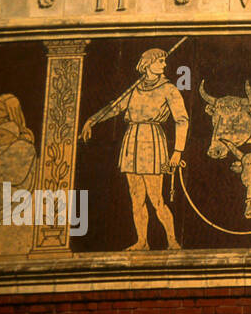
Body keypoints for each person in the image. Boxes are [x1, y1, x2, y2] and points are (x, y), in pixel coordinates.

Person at [81, 48, 189, 251]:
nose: (164, 65)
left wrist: (177, 151)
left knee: (156, 198)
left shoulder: (169, 89)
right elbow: (114, 108)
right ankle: (142, 241)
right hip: (132, 141)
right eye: (160, 61)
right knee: (136, 197)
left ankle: (172, 241)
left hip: (152, 141)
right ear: (147, 64)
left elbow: (182, 120)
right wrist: (92, 120)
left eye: (165, 61)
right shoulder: (135, 88)